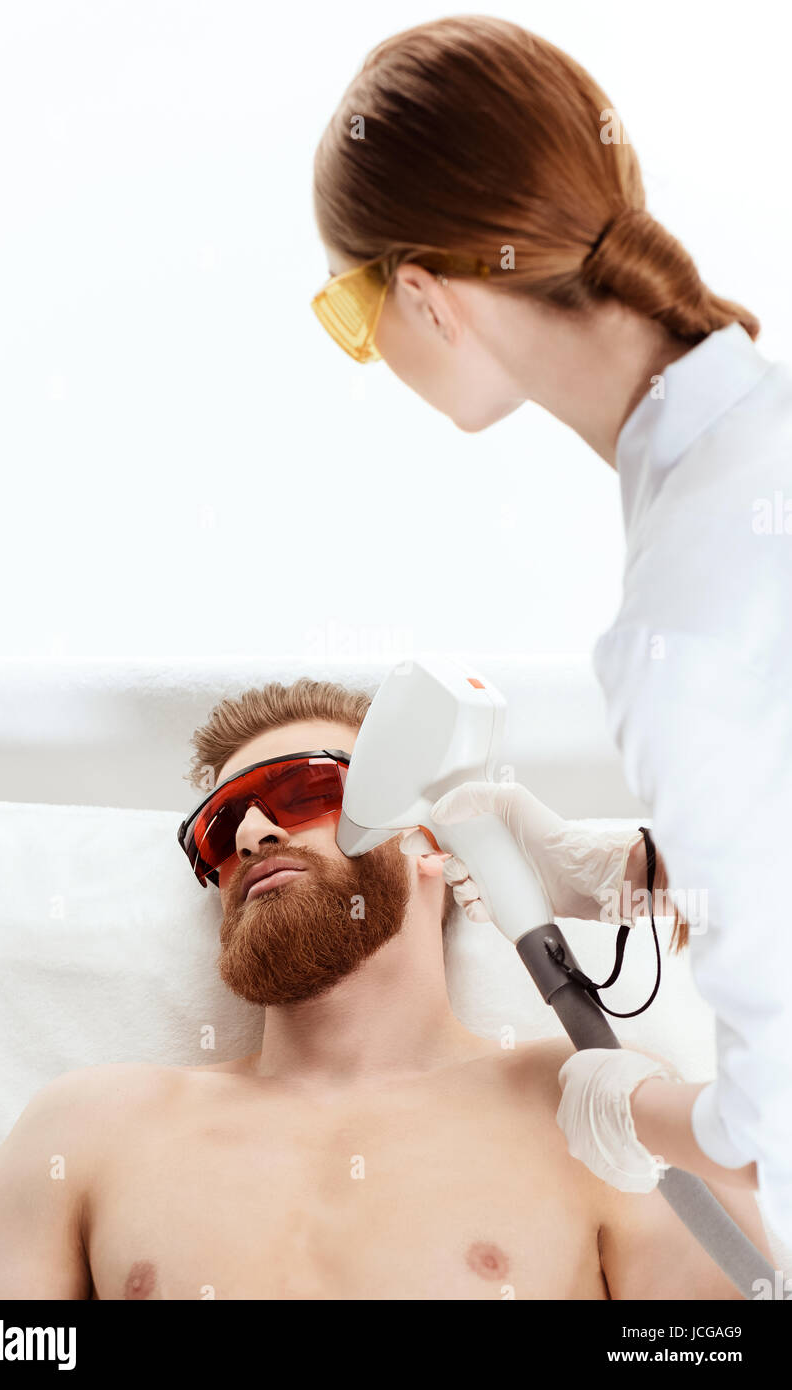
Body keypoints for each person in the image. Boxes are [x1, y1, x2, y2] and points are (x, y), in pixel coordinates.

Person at [311, 14, 792, 1249]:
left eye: (351, 314)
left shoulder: (683, 625)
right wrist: (642, 863)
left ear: (422, 292)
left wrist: (625, 1106)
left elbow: (774, 1135)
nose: (371, 353)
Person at [0, 678, 770, 1299]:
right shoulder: (88, 1129)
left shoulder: (602, 1110)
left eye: (302, 790)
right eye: (219, 828)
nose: (254, 833)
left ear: (435, 841)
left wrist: (646, 875)